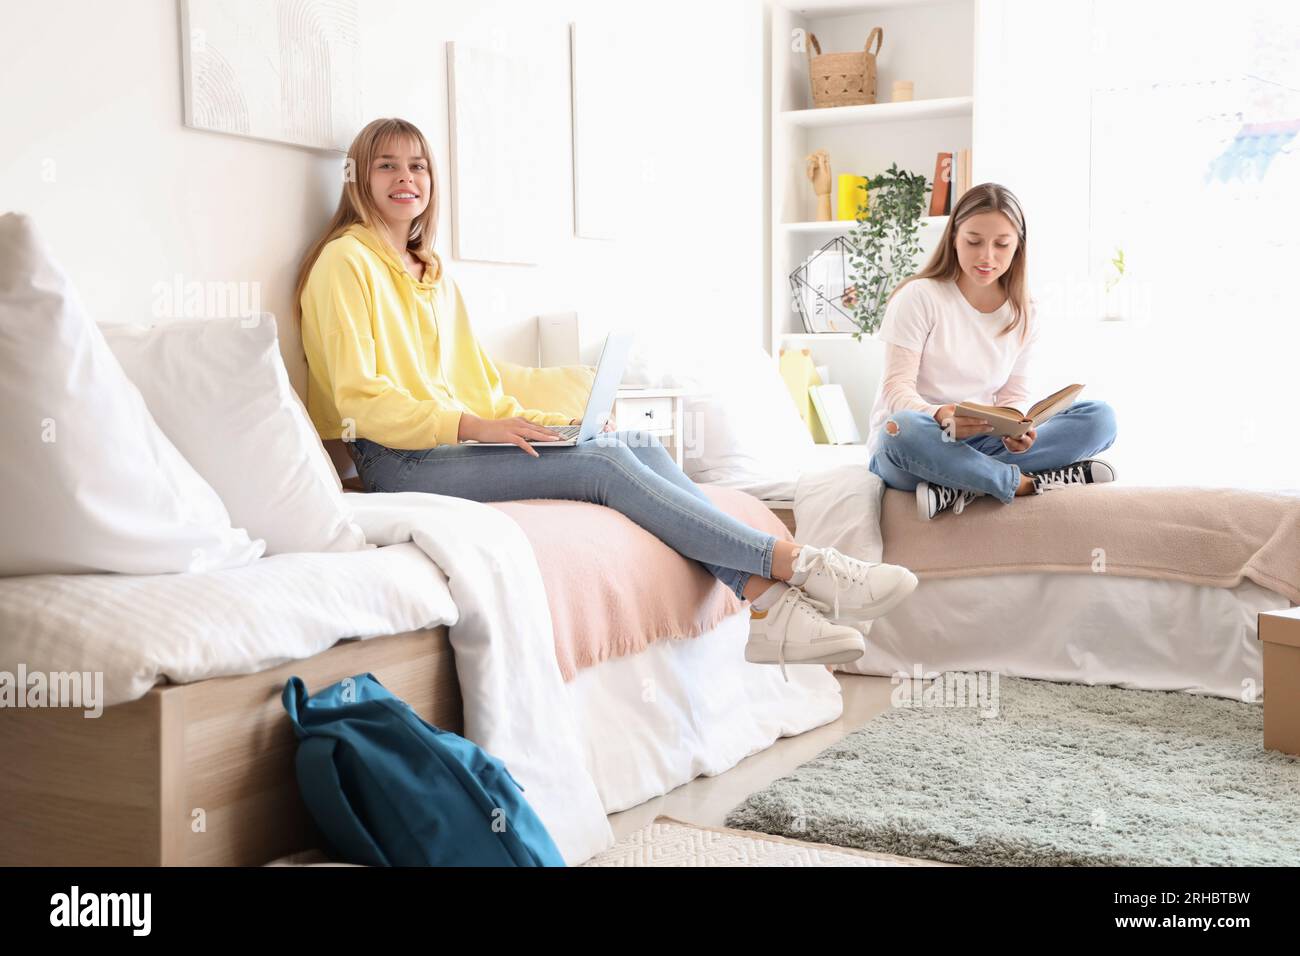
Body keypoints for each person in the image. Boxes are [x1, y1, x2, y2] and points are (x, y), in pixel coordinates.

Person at [296, 118, 919, 673]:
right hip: (393, 459)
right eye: (386, 165)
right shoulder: (343, 263)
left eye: (418, 165)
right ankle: (797, 567)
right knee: (604, 466)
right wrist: (471, 427)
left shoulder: (432, 275)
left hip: (445, 440)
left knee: (634, 443)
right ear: (359, 179)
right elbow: (360, 402)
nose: (406, 178)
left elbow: (480, 381)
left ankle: (768, 609)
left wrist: (563, 416)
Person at [865, 183, 1118, 521]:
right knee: (900, 430)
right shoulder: (919, 297)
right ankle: (1021, 483)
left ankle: (959, 482)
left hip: (983, 443)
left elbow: (1012, 395)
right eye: (973, 241)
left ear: (1018, 247)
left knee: (1099, 418)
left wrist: (1016, 431)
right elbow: (896, 390)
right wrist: (940, 415)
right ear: (954, 236)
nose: (987, 256)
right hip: (923, 439)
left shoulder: (1024, 311)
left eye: (1002, 244)